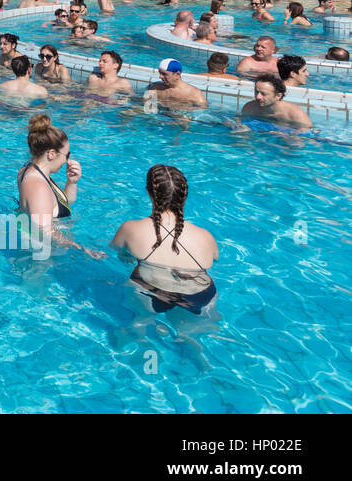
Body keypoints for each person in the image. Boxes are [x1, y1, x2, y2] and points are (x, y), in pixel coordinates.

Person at [110, 165, 219, 314]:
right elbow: (214, 260)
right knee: (188, 336)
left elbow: (119, 254)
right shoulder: (206, 236)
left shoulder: (130, 228)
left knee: (137, 327)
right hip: (200, 294)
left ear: (149, 193)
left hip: (149, 288)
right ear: (185, 196)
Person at [16, 113, 99, 255]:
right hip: (40, 252)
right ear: (52, 154)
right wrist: (80, 249)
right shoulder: (38, 188)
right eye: (66, 155)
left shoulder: (29, 169)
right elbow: (44, 231)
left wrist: (72, 182)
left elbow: (60, 203)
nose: (67, 160)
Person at [240, 74, 312, 129]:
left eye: (263, 94)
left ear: (278, 96)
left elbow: (307, 133)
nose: (258, 97)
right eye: (256, 92)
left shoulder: (295, 114)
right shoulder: (250, 108)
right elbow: (241, 124)